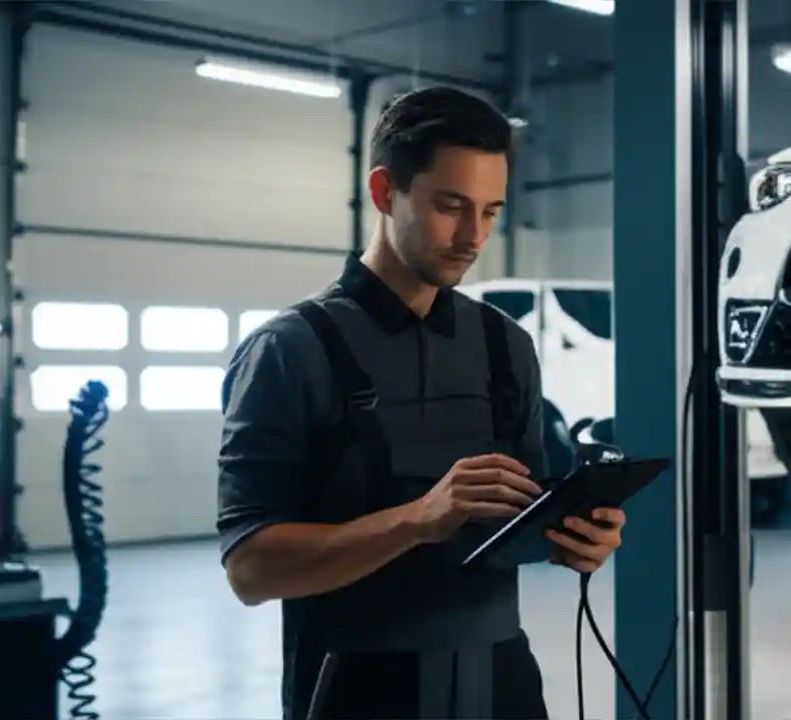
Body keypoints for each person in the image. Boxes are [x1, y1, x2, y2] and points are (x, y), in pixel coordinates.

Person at [216, 86, 628, 720]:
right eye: (450, 206)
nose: (473, 236)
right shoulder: (289, 351)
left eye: (491, 212)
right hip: (357, 690)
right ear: (385, 193)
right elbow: (250, 570)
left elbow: (520, 514)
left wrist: (573, 534)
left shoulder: (505, 346)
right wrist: (416, 519)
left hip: (502, 684)